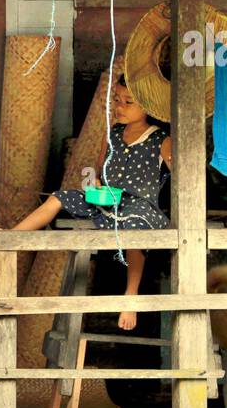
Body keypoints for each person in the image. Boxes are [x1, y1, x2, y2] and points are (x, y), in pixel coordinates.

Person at [9, 78, 173, 330]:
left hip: (139, 207)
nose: (120, 107)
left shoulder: (161, 139)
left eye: (128, 102)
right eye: (116, 100)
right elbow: (98, 170)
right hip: (106, 200)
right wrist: (95, 184)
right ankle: (13, 238)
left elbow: (183, 173)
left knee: (133, 227)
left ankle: (130, 296)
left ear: (148, 106)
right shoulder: (113, 135)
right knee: (59, 197)